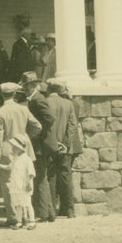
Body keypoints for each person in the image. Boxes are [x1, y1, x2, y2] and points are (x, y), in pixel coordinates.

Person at [0, 82, 43, 227]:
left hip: (8, 150)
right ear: (14, 94)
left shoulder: (0, 112)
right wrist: (26, 138)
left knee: (9, 185)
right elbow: (38, 126)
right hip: (24, 149)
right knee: (24, 184)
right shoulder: (23, 109)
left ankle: (14, 217)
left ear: (2, 94)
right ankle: (26, 216)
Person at [42, 80, 81, 219]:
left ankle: (52, 209)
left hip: (50, 146)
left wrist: (53, 143)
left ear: (49, 89)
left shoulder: (45, 102)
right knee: (66, 177)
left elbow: (44, 126)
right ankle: (70, 210)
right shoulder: (68, 103)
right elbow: (72, 126)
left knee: (51, 176)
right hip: (65, 148)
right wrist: (65, 143)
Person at [24, 79, 56, 222]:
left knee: (41, 177)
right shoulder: (35, 99)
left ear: (33, 86)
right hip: (42, 144)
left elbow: (49, 118)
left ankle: (44, 213)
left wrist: (38, 135)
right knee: (42, 177)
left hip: (41, 145)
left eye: (27, 86)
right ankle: (49, 212)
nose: (25, 89)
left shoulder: (38, 99)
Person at [4, 136, 37, 230]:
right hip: (16, 185)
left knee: (27, 203)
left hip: (24, 185)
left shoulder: (27, 159)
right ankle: (19, 221)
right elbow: (9, 167)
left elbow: (31, 173)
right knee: (18, 204)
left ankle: (32, 221)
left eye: (14, 147)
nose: (12, 149)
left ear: (19, 148)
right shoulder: (15, 159)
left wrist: (29, 183)